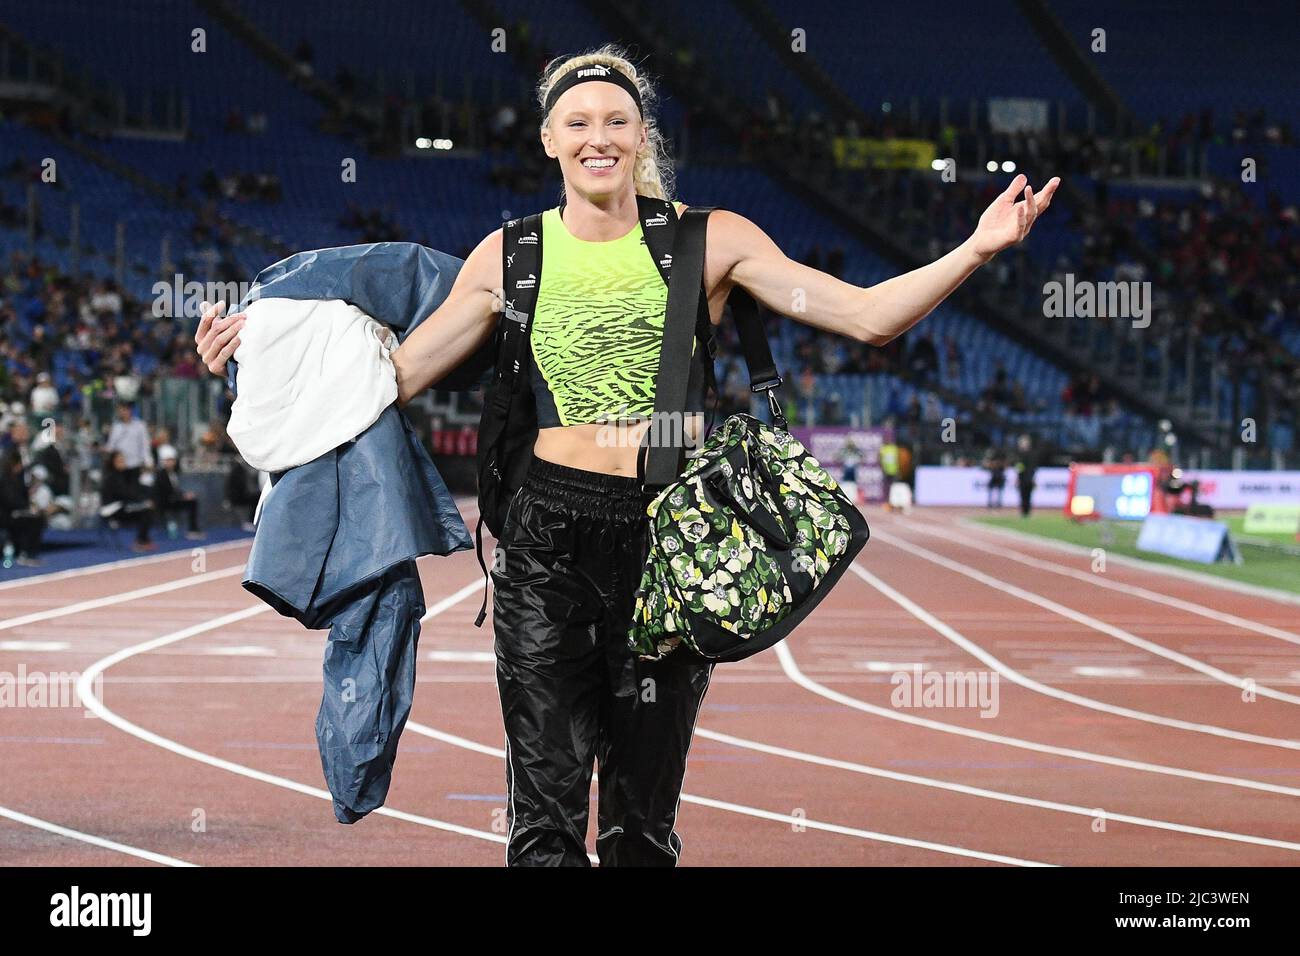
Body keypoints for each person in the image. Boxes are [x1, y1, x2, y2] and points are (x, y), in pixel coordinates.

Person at [195, 44, 1058, 867]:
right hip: (544, 543)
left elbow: (866, 316)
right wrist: (259, 355)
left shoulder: (709, 240)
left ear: (642, 135)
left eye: (616, 120)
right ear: (548, 140)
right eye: (577, 123)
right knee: (543, 817)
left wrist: (976, 248)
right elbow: (389, 376)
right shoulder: (511, 254)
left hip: (667, 544)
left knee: (642, 825)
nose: (597, 138)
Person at [99, 451, 156, 551]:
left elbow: (134, 490)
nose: (122, 463)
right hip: (112, 509)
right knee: (145, 511)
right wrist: (142, 502)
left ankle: (143, 539)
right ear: (113, 463)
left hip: (123, 506)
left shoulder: (125, 475)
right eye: (119, 461)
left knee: (148, 509)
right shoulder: (111, 477)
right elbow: (125, 494)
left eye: (123, 460)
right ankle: (140, 541)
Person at [0, 448, 44, 566]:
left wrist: (30, 504)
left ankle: (29, 553)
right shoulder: (4, 479)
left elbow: (24, 494)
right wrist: (26, 508)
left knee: (38, 518)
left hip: (17, 512)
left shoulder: (18, 478)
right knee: (28, 521)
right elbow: (9, 500)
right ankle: (24, 554)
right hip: (5, 514)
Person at [152, 448, 204, 539]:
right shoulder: (161, 474)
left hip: (173, 499)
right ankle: (192, 530)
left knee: (193, 501)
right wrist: (183, 496)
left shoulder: (173, 473)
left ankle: (193, 530)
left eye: (172, 460)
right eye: (168, 460)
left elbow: (175, 490)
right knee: (191, 503)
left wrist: (185, 495)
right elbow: (166, 492)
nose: (170, 462)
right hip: (165, 502)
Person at [104, 402, 152, 487]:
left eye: (125, 410)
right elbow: (111, 445)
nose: (123, 412)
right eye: (121, 410)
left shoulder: (140, 425)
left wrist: (148, 461)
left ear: (130, 411)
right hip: (119, 466)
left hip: (135, 464)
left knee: (134, 490)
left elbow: (145, 445)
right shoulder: (116, 427)